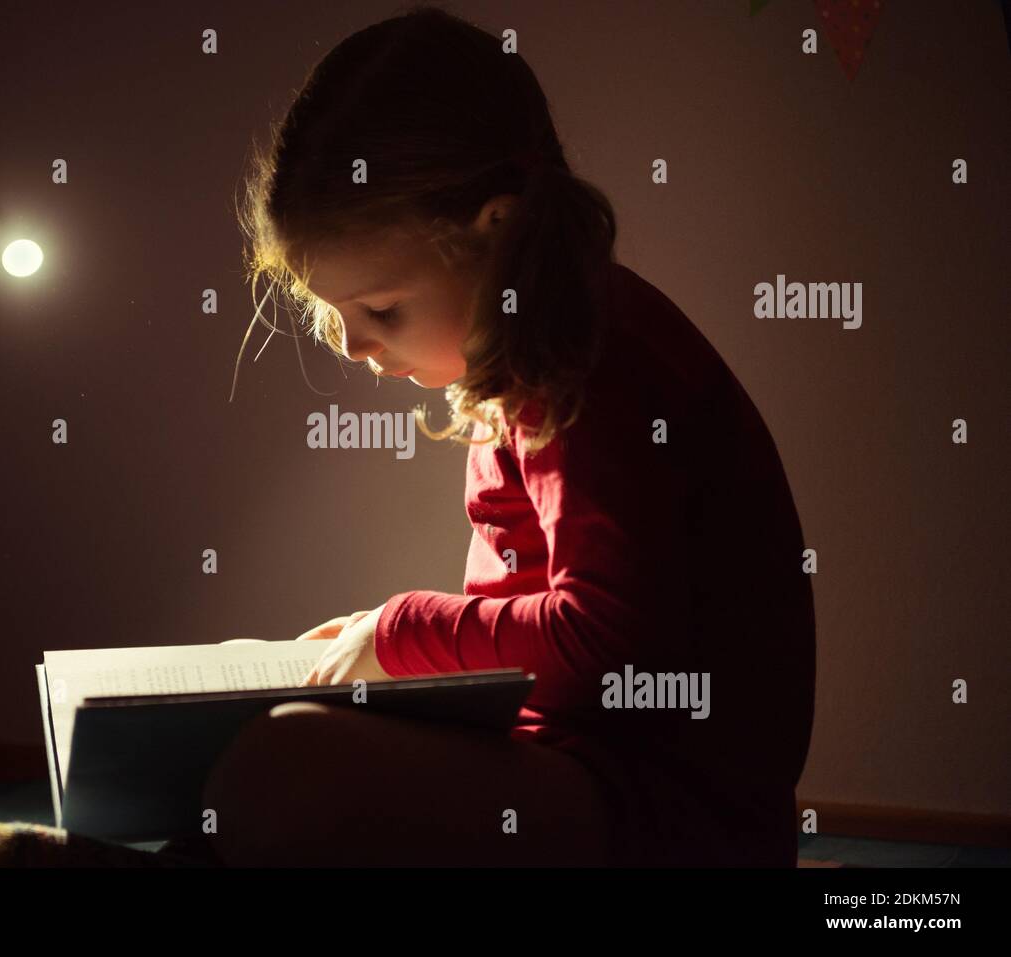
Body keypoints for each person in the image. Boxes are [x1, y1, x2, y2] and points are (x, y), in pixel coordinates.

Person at [204, 5, 815, 867]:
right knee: (254, 707)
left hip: (669, 812)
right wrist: (385, 645)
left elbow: (604, 642)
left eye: (379, 309)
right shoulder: (548, 346)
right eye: (332, 316)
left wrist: (398, 632)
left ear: (494, 230)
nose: (354, 346)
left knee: (282, 769)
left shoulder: (590, 354)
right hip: (582, 766)